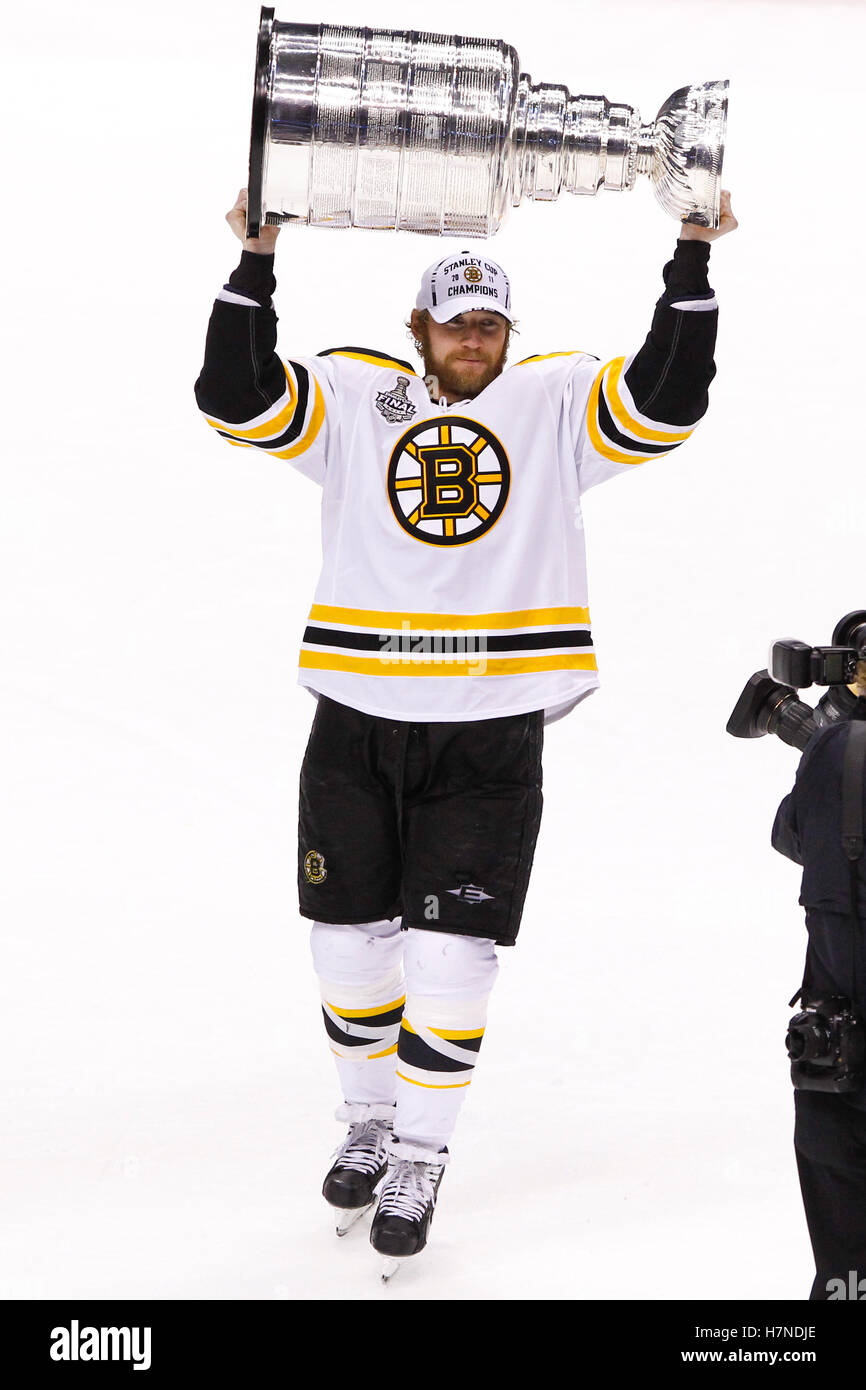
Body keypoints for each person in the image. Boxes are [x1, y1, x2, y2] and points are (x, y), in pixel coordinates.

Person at [194, 187, 737, 1275]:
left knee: (450, 956)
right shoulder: (356, 398)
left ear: (506, 332)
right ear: (420, 329)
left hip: (487, 732)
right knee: (346, 941)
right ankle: (366, 1119)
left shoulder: (551, 405)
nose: (473, 340)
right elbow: (234, 393)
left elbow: (668, 399)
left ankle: (422, 1152)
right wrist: (255, 256)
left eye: (489, 323)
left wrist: (689, 255)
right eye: (456, 323)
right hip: (357, 716)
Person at [772, 666, 866, 1300]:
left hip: (844, 1059)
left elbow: (792, 833)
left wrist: (829, 726)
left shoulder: (843, 752)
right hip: (841, 1057)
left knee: (848, 1277)